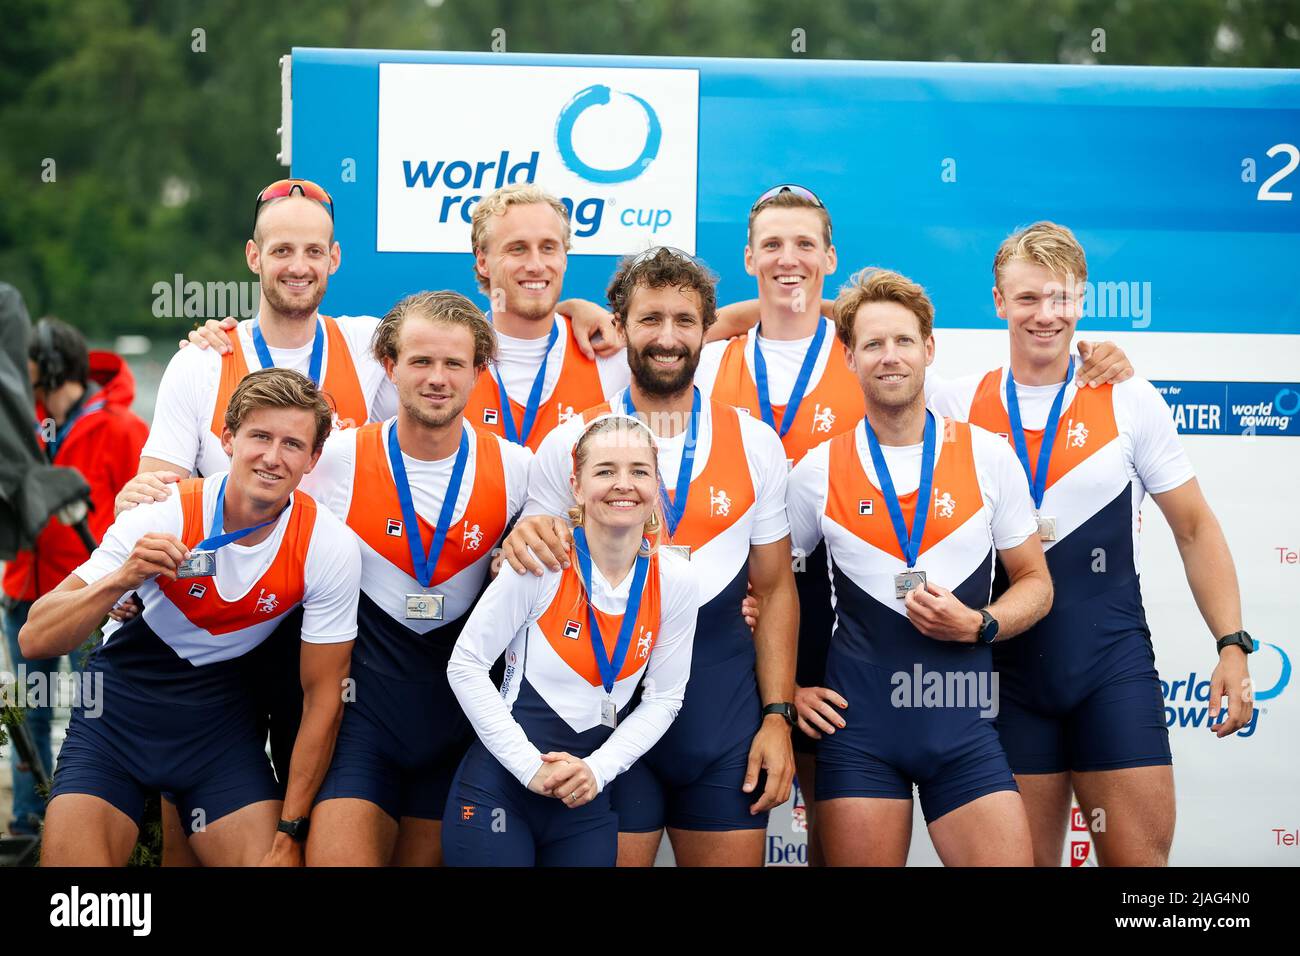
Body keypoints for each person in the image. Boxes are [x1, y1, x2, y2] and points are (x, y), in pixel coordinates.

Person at [926, 222, 1254, 866]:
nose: (1045, 316)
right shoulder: (953, 404)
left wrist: (1232, 644)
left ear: (1082, 301)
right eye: (1027, 299)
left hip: (1110, 669)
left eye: (1061, 298)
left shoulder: (1130, 398)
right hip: (1003, 678)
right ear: (997, 301)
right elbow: (862, 326)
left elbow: (1194, 526)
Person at [500, 248, 798, 867]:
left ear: (707, 329)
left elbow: (773, 590)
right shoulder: (570, 442)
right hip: (601, 728)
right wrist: (518, 545)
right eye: (650, 319)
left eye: (685, 321)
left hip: (721, 730)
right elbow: (529, 567)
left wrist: (777, 717)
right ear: (622, 324)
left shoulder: (755, 442)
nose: (668, 338)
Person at [20, 369, 361, 866]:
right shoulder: (164, 512)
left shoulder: (327, 545)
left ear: (312, 459)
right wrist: (121, 578)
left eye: (292, 444)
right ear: (227, 440)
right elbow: (34, 638)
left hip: (217, 734)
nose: (272, 456)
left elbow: (325, 697)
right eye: (259, 437)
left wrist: (290, 832)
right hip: (118, 720)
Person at [787, 267, 1054, 866]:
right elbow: (771, 590)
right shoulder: (815, 471)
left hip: (962, 730)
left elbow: (1036, 584)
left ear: (929, 349)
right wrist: (787, 692)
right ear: (848, 356)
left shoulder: (988, 455)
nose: (890, 357)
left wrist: (980, 624)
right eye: (873, 344)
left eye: (904, 341)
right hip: (859, 735)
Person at [297, 291, 531, 866]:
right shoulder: (333, 460)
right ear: (390, 366)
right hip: (361, 725)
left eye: (454, 364)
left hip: (461, 728)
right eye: (420, 361)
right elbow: (240, 512)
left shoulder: (520, 469)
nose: (436, 378)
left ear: (480, 373)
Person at [443, 414, 698, 865]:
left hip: (585, 798)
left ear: (657, 484)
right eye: (605, 471)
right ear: (576, 486)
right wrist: (528, 767)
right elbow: (465, 664)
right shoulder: (542, 562)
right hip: (500, 789)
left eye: (639, 471)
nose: (624, 484)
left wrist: (596, 771)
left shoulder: (676, 579)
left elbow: (665, 699)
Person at [1, 317, 147, 835]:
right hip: (24, 591)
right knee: (30, 713)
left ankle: (95, 824)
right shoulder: (19, 423)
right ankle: (26, 822)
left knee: (97, 714)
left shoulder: (122, 426)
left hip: (92, 597)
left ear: (50, 364)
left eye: (27, 360)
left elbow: (151, 510)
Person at [461, 184, 630, 449]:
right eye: (517, 249)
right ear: (483, 261)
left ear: (564, 257)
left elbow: (687, 335)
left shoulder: (611, 353)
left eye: (549, 248)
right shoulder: (448, 358)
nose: (536, 265)